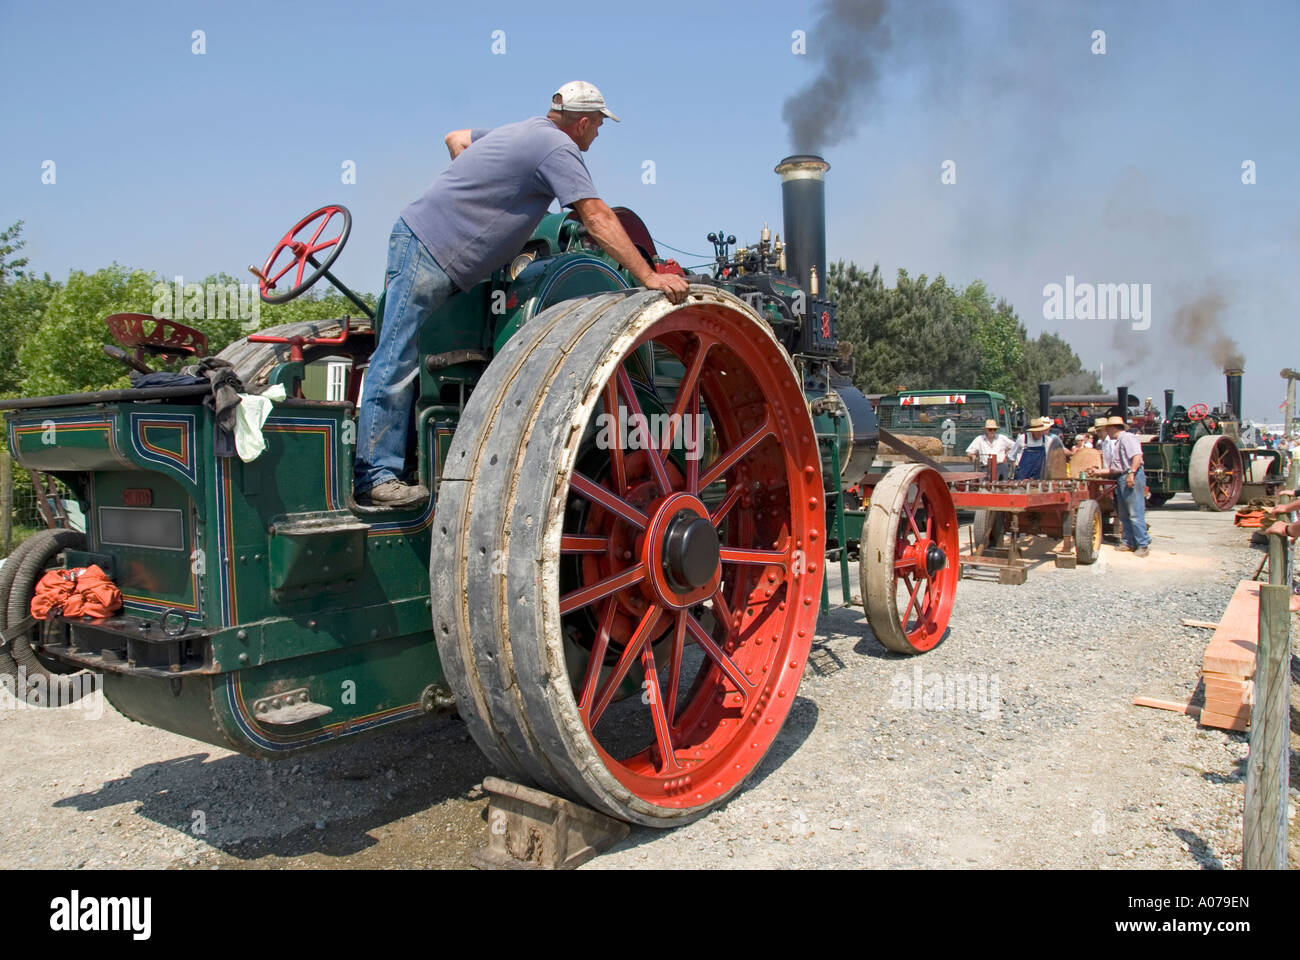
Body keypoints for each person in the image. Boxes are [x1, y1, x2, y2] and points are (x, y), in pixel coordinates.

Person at [353, 81, 690, 506]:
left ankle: (393, 464)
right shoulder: (556, 149)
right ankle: (376, 475)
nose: (599, 134)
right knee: (396, 356)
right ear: (583, 122)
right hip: (428, 247)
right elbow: (595, 215)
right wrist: (648, 276)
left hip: (432, 250)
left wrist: (482, 208)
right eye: (600, 124)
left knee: (406, 355)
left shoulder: (522, 131)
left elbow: (455, 139)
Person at [1095, 415, 1150, 556]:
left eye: (1107, 429)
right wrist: (1098, 472)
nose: (1106, 432)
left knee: (1135, 512)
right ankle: (1129, 542)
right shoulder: (1119, 442)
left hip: (1131, 476)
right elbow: (1115, 468)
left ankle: (1142, 544)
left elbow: (1137, 456)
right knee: (1124, 513)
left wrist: (1131, 473)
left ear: (1112, 428)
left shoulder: (1128, 438)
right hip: (1122, 476)